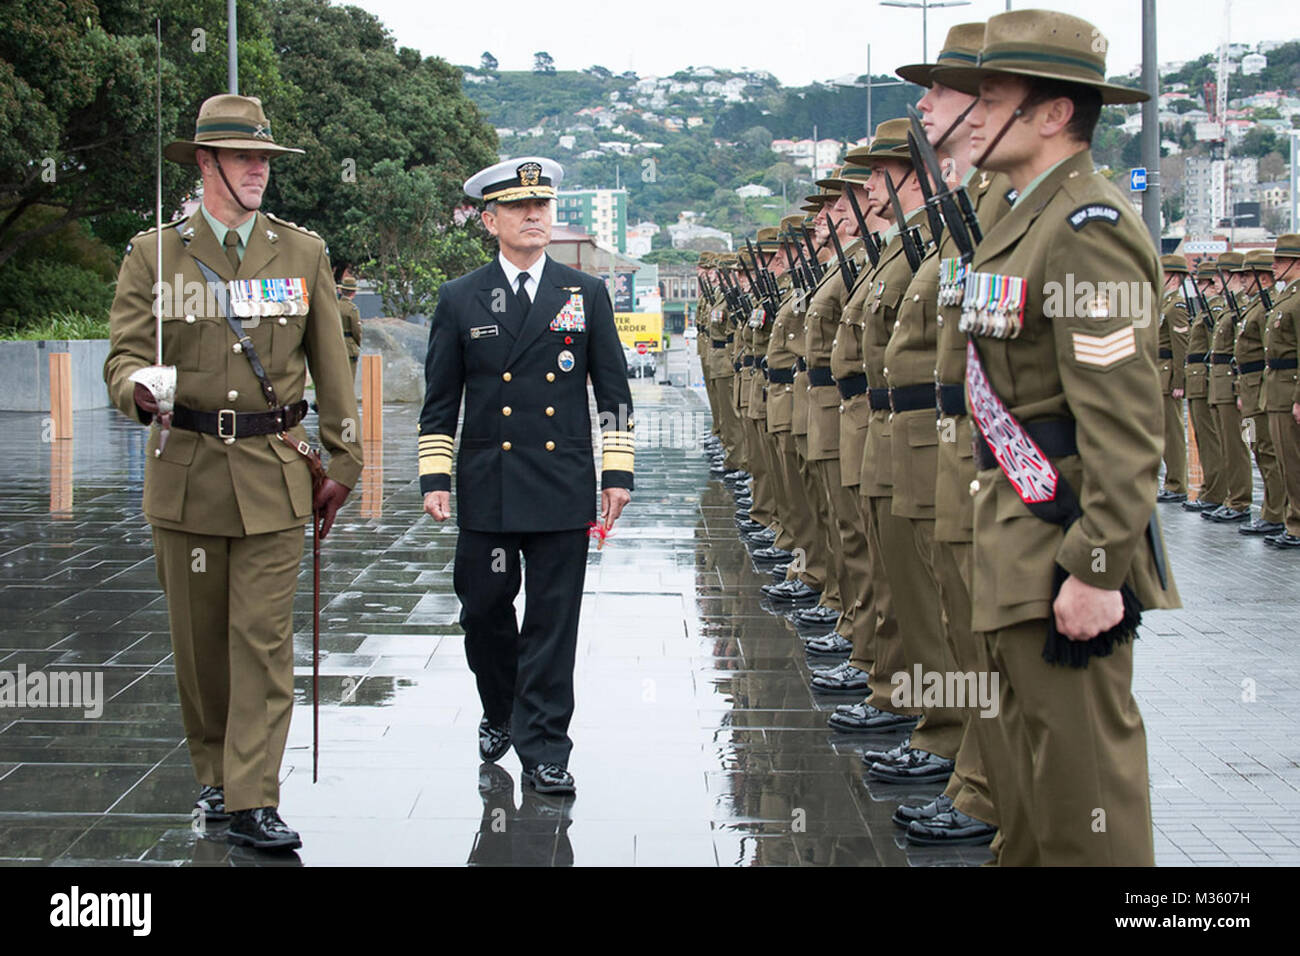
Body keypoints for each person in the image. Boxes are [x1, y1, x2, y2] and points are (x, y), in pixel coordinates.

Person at [934, 8, 1179, 865]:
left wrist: (1099, 566)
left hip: (1061, 550)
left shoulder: (1089, 231)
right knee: (1033, 811)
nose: (971, 114)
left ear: (1052, 114)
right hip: (1016, 540)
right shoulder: (1022, 218)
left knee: (1086, 810)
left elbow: (1124, 422)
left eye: (992, 97)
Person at [103, 94, 362, 851]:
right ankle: (214, 773)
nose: (259, 171)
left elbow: (333, 369)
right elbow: (121, 354)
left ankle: (254, 797)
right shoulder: (154, 254)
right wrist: (135, 389)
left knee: (261, 641)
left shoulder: (300, 252)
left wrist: (343, 458)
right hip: (184, 475)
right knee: (200, 647)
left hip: (275, 473)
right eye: (245, 158)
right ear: (207, 163)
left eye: (265, 160)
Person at [418, 157, 633, 795]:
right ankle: (499, 707)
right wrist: (436, 477)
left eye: (541, 205)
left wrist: (616, 470)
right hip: (489, 479)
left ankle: (544, 748)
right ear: (490, 220)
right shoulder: (460, 297)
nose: (534, 215)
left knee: (553, 618)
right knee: (483, 609)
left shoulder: (583, 292)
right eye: (518, 207)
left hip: (562, 481)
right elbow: (440, 399)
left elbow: (613, 391)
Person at [1263, 233, 1300, 549]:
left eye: (1280, 260)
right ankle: (1292, 520)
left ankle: (1297, 525)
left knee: (1293, 460)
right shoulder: (1285, 297)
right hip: (1276, 388)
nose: (1273, 266)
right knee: (1285, 459)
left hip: (1290, 389)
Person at [1155, 255, 1191, 503]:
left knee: (1173, 433)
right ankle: (1172, 481)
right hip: (1159, 374)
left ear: (1174, 277)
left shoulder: (1176, 306)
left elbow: (1181, 348)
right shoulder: (1163, 304)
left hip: (1168, 375)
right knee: (1164, 432)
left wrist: (1180, 381)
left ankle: (1177, 483)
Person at [336, 273, 363, 381]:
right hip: (348, 346)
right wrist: (360, 343)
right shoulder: (351, 309)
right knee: (349, 379)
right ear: (353, 293)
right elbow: (356, 331)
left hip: (335, 344)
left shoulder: (334, 305)